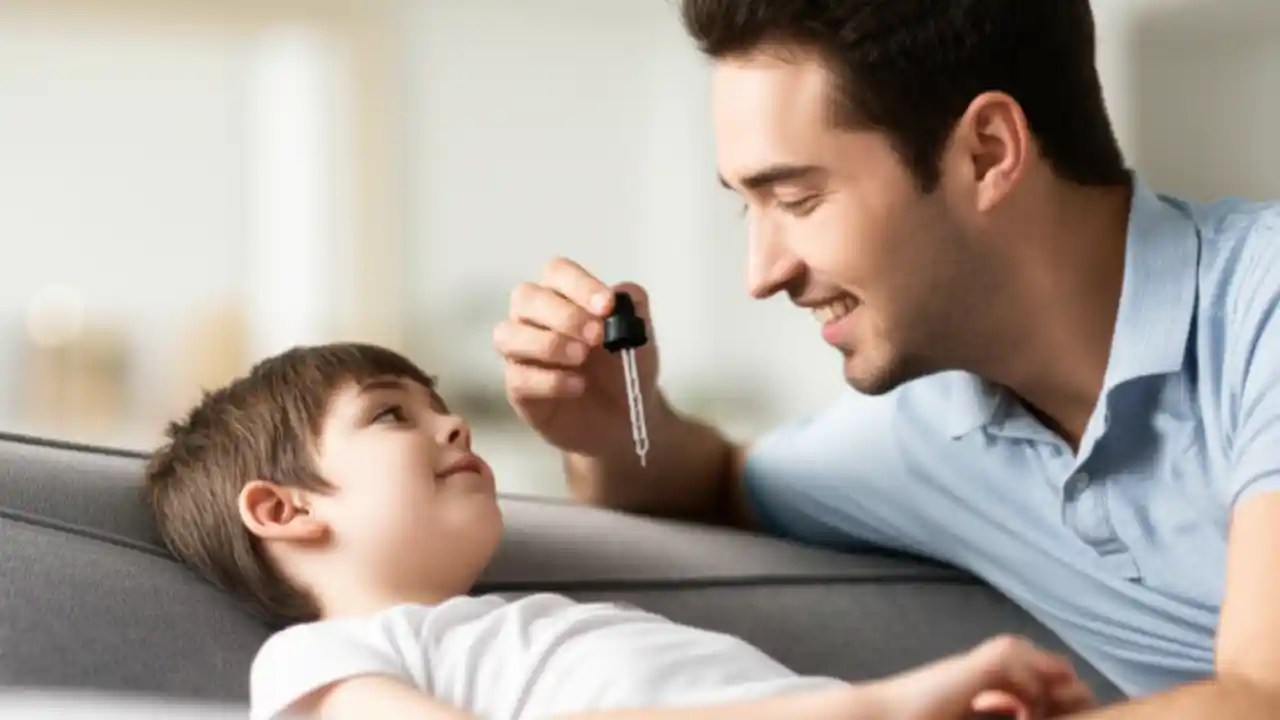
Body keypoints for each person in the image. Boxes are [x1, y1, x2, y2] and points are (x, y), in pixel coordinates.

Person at [492, 1, 1280, 718]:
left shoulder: (1261, 309)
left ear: (987, 152)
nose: (761, 274)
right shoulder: (938, 428)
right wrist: (606, 429)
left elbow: (1263, 697)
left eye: (797, 201)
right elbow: (714, 480)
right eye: (747, 206)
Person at [144, 342, 1095, 720]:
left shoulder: (522, 624)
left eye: (441, 407)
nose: (455, 425)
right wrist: (876, 711)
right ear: (284, 508)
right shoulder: (320, 659)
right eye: (392, 415)